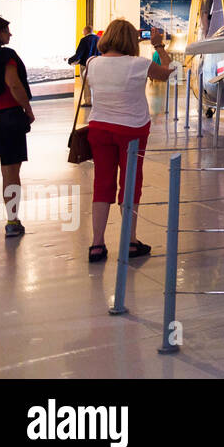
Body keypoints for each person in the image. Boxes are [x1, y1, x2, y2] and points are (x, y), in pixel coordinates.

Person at [86, 18, 176, 263]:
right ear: (131, 40)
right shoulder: (139, 64)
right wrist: (158, 46)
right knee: (130, 185)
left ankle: (97, 244)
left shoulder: (92, 62)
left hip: (99, 128)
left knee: (102, 184)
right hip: (132, 130)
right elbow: (167, 73)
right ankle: (129, 241)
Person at [0, 16, 35, 238]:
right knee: (10, 170)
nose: (10, 35)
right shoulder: (5, 56)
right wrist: (28, 110)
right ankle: (12, 222)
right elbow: (13, 83)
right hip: (7, 118)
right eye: (6, 31)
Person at [67, 24, 100, 106]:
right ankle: (96, 101)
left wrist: (70, 60)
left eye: (83, 31)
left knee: (86, 84)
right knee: (95, 83)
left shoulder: (84, 40)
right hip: (97, 64)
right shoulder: (99, 39)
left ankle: (88, 101)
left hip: (85, 65)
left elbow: (79, 54)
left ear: (86, 31)